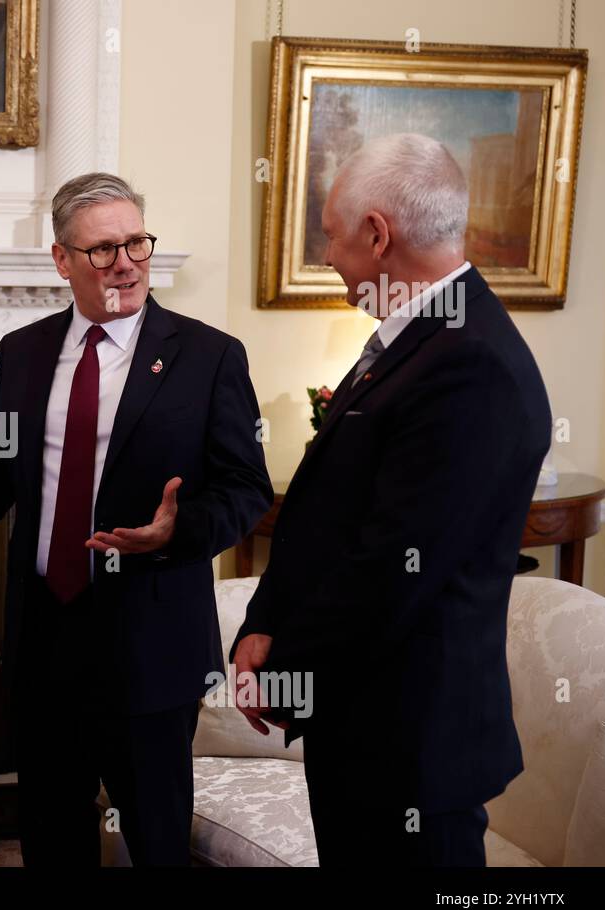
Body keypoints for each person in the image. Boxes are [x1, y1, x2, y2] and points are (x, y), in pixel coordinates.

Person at [0, 172, 272, 866]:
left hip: (150, 636)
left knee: (156, 838)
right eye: (103, 249)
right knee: (51, 836)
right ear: (62, 260)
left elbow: (245, 487)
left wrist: (178, 532)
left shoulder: (209, 356)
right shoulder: (22, 352)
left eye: (136, 242)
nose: (127, 262)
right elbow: (5, 463)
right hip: (46, 633)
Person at [231, 133, 552, 866]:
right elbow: (328, 513)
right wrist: (263, 619)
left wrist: (287, 673)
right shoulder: (419, 339)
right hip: (365, 726)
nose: (329, 258)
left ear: (378, 235)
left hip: (411, 745)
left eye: (333, 237)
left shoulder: (473, 365)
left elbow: (390, 567)